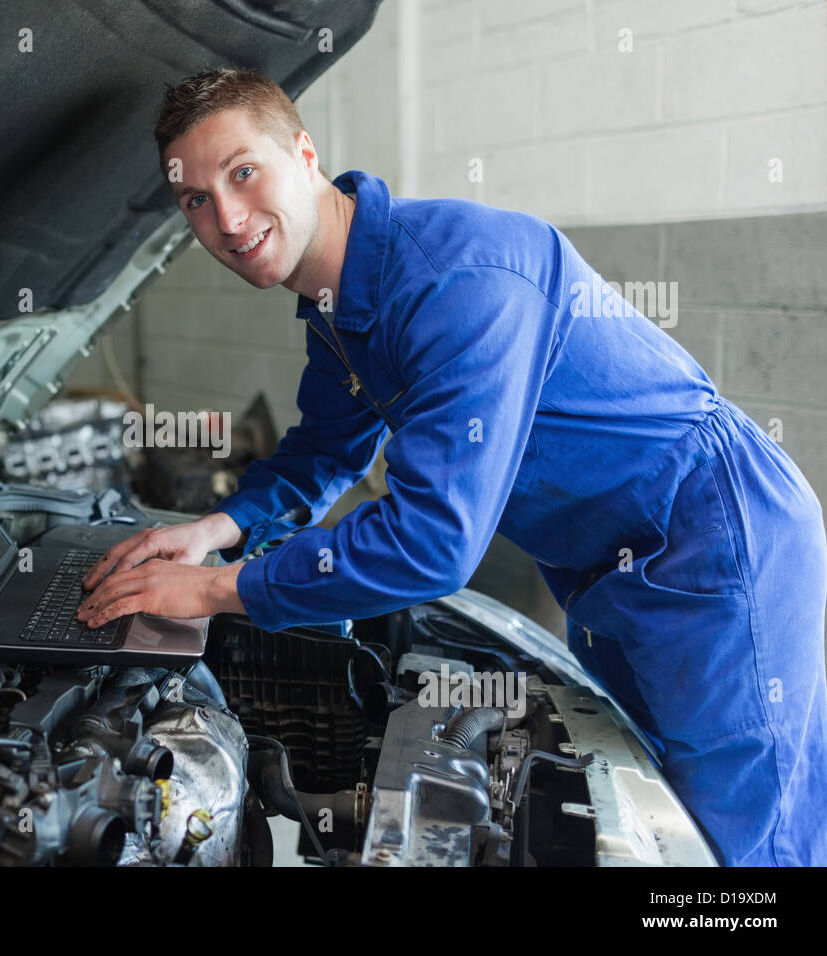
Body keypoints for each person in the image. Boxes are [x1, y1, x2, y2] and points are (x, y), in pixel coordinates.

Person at [75, 67, 827, 866]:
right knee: (660, 823)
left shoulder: (455, 281)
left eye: (243, 172)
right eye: (195, 199)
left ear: (304, 151)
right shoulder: (337, 307)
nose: (225, 217)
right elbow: (325, 450)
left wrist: (221, 589)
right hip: (611, 569)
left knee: (746, 851)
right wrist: (212, 532)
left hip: (713, 542)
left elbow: (433, 542)